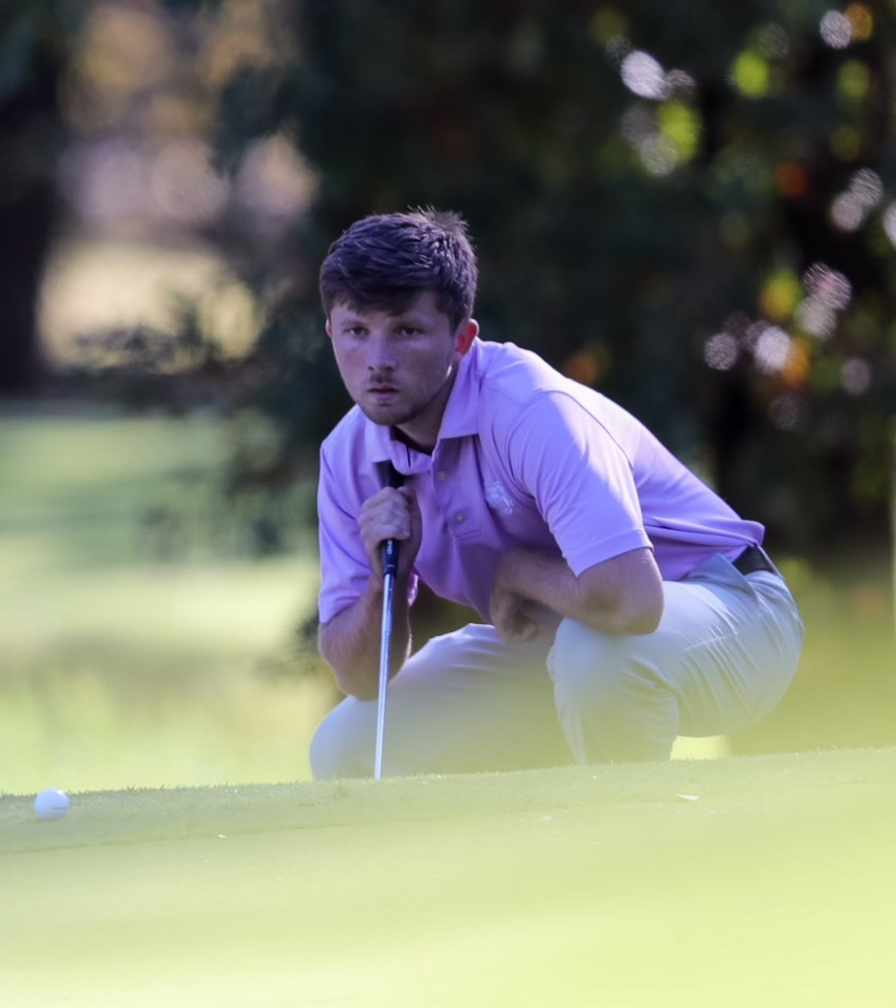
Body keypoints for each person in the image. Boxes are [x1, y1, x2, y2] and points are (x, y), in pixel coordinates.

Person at [307, 210, 804, 776]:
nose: (378, 360)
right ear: (331, 333)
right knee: (343, 748)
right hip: (560, 643)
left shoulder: (531, 410)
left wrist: (519, 571)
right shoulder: (346, 457)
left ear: (463, 338)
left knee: (594, 658)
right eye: (356, 332)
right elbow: (356, 675)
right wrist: (382, 584)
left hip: (736, 609)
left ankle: (630, 856)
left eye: (407, 331)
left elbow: (634, 603)